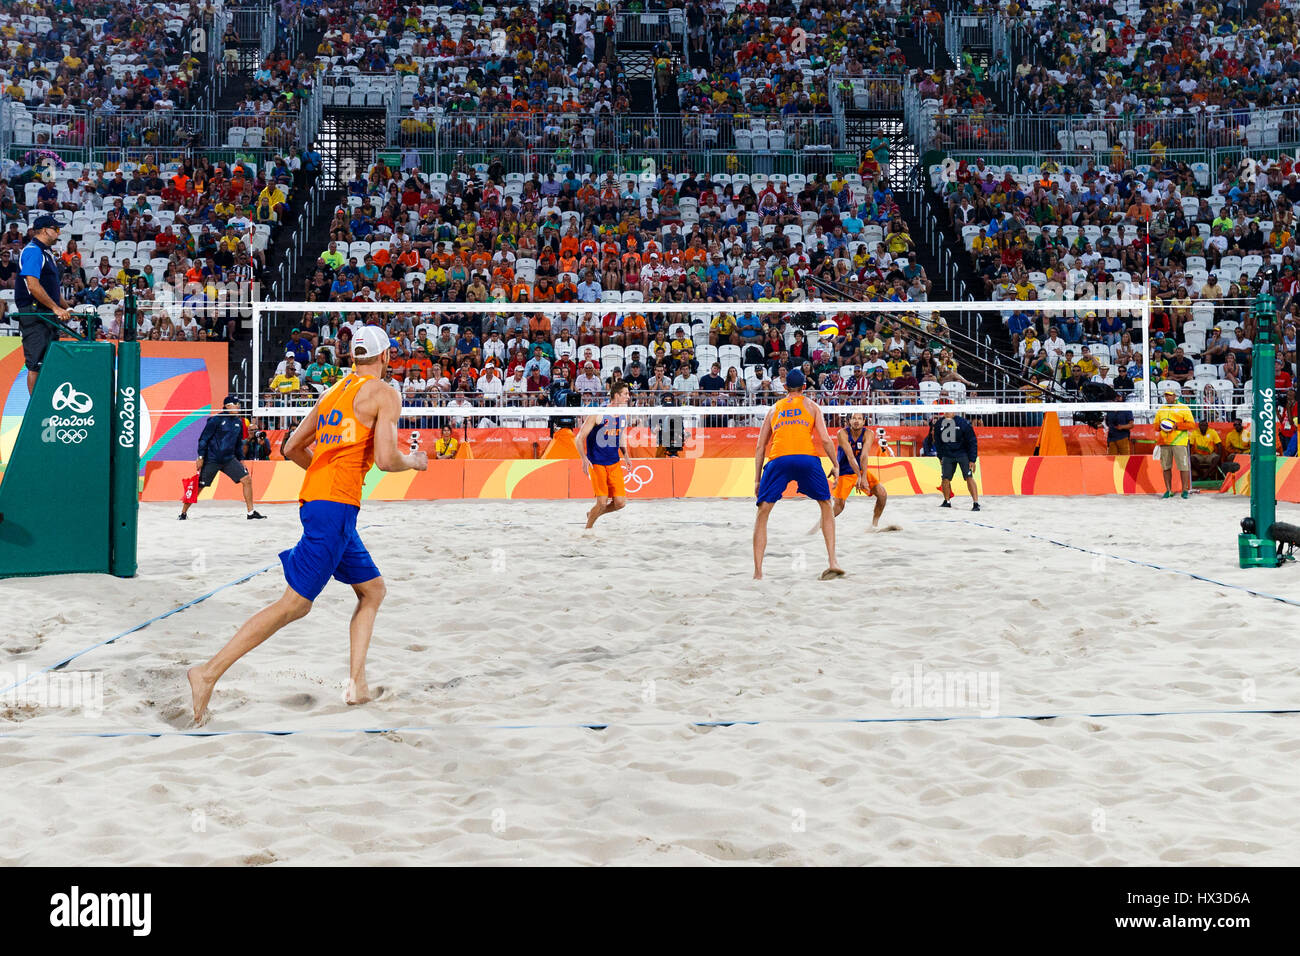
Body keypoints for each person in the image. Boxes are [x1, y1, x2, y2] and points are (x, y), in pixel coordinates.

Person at [188, 327, 428, 723]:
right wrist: (414, 461)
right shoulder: (386, 394)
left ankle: (357, 685)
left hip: (322, 502)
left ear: (354, 358)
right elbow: (386, 460)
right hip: (335, 507)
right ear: (386, 357)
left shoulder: (333, 391)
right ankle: (207, 673)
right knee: (295, 605)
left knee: (372, 591)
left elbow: (290, 448)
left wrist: (325, 476)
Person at [752, 369, 844, 580]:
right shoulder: (812, 406)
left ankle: (758, 572)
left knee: (763, 512)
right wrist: (836, 464)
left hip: (779, 459)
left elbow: (760, 446)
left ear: (785, 388)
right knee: (825, 505)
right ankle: (832, 561)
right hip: (806, 459)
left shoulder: (774, 409)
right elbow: (826, 440)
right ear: (804, 387)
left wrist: (757, 478)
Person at [181, 395, 266, 520]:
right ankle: (183, 513)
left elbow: (237, 444)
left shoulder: (238, 422)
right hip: (212, 459)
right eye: (234, 403)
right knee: (200, 486)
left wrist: (241, 459)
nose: (238, 406)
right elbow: (203, 439)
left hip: (229, 459)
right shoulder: (215, 420)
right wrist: (200, 456)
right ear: (226, 406)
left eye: (238, 404)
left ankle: (250, 512)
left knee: (247, 479)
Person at [15, 215, 71, 394]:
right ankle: (35, 409)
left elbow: (52, 288)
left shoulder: (46, 253)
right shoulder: (33, 251)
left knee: (48, 360)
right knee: (36, 363)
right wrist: (56, 308)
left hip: (47, 313)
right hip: (35, 313)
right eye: (56, 229)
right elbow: (33, 284)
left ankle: (45, 402)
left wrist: (66, 306)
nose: (58, 233)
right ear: (45, 230)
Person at [811, 412, 888, 532]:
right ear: (849, 421)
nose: (856, 421)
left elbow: (864, 456)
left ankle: (874, 525)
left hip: (861, 471)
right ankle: (817, 527)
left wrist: (862, 477)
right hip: (844, 472)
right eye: (853, 418)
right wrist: (859, 476)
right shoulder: (842, 433)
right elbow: (850, 457)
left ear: (864, 421)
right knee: (839, 506)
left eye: (859, 418)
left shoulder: (869, 433)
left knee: (882, 494)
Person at [576, 380, 629, 529]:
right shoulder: (599, 413)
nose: (628, 397)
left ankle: (593, 513)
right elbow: (579, 438)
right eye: (625, 394)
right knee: (601, 502)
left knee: (620, 503)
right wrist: (583, 459)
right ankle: (588, 529)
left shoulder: (624, 414)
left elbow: (621, 435)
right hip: (597, 462)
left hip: (614, 462)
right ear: (616, 395)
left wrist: (626, 455)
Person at [1153, 386, 1196, 498]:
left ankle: (1185, 490)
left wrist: (1176, 425)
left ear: (1175, 396)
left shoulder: (1183, 408)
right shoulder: (1162, 409)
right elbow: (1156, 427)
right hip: (1164, 442)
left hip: (1179, 442)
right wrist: (1162, 426)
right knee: (1166, 467)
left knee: (1183, 466)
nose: (1167, 397)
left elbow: (1191, 424)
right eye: (1166, 395)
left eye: (1169, 395)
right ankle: (1168, 490)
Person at [933, 410, 980, 510]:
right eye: (945, 411)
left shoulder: (963, 423)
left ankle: (976, 503)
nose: (946, 412)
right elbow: (937, 441)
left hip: (962, 454)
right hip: (947, 455)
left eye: (949, 410)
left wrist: (972, 459)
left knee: (969, 477)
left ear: (954, 412)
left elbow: (972, 441)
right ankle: (947, 501)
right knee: (945, 479)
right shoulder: (939, 424)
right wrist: (940, 456)